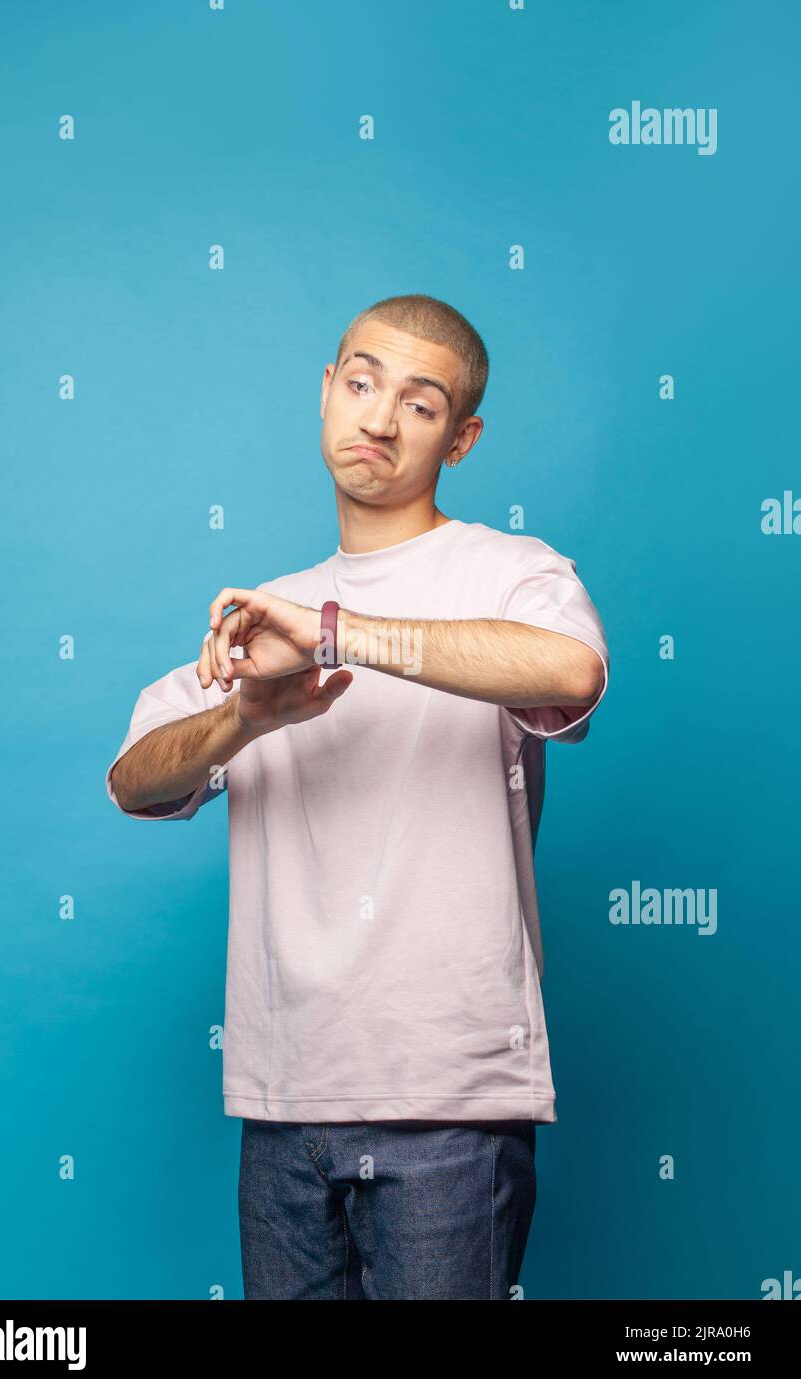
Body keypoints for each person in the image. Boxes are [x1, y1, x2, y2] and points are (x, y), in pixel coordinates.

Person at [105, 294, 610, 1300]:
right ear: (326, 392)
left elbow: (571, 672)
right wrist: (249, 715)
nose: (377, 419)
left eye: (418, 405)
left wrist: (340, 632)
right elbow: (133, 778)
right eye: (361, 382)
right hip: (283, 1098)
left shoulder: (510, 571)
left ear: (460, 439)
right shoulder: (267, 617)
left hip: (450, 1101)